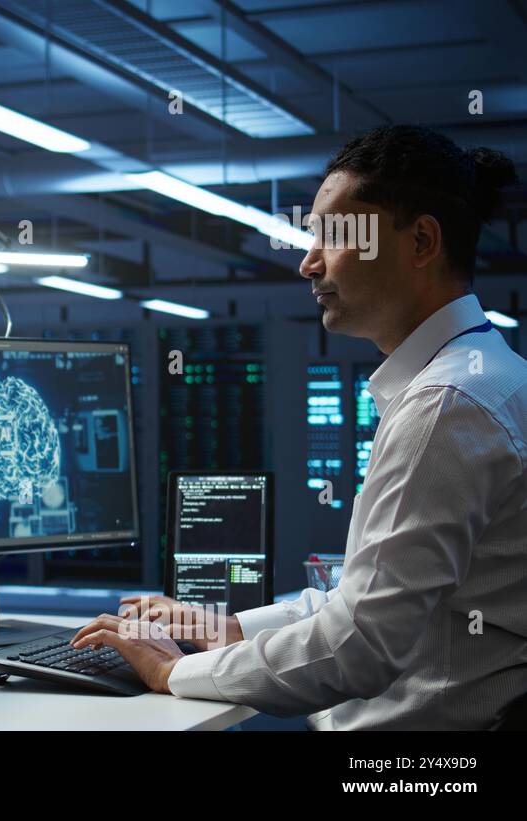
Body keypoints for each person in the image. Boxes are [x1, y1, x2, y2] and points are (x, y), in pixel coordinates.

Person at [72, 125, 526, 729]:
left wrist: (171, 671)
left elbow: (359, 644)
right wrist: (227, 627)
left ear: (421, 242)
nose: (309, 263)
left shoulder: (446, 405)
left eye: (334, 237)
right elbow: (366, 601)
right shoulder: (489, 375)